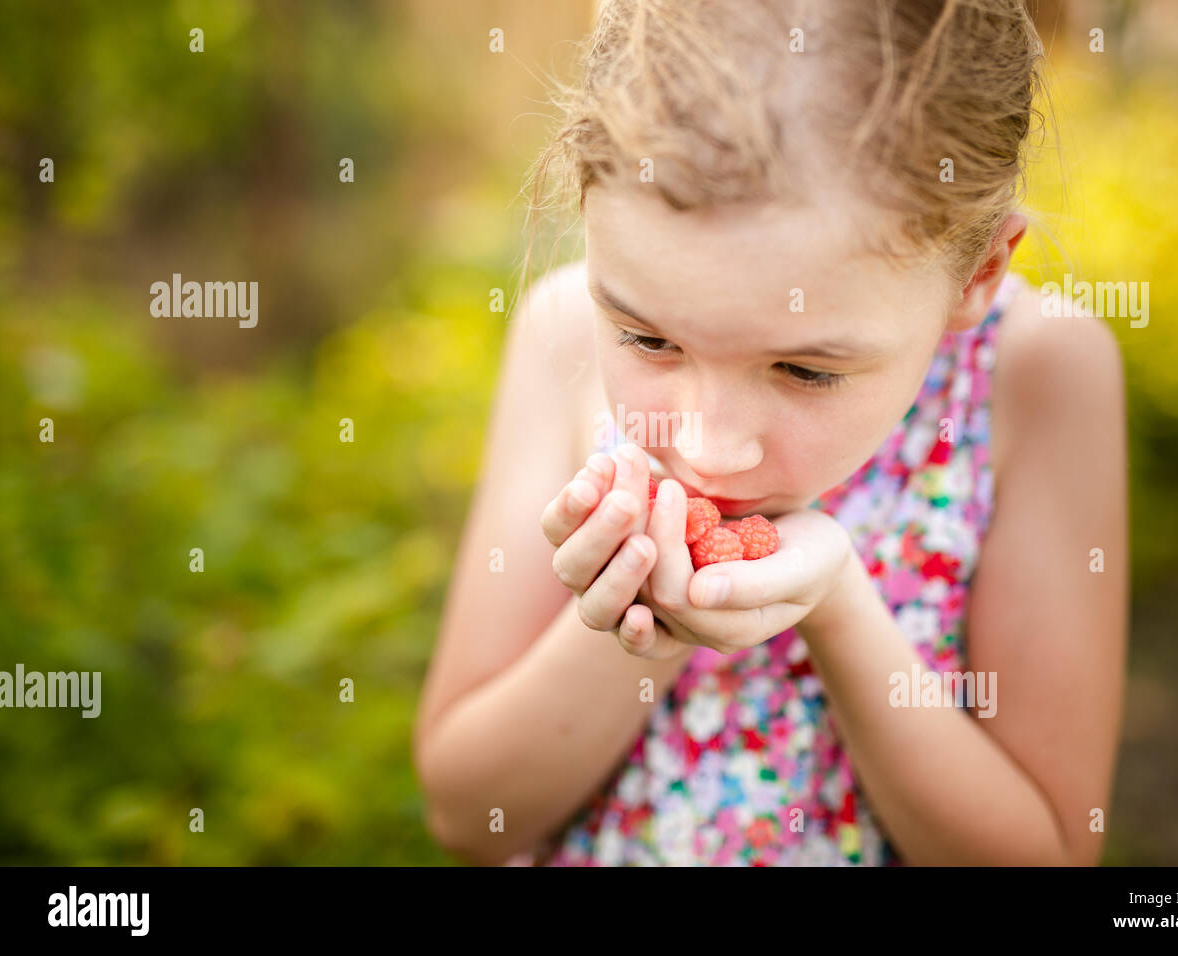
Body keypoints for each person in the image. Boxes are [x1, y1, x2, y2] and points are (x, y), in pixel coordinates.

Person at [414, 0, 1128, 866]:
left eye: (807, 371)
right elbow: (467, 813)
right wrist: (646, 613)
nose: (708, 449)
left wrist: (832, 608)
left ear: (976, 274)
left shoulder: (1040, 377)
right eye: (647, 340)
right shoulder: (561, 330)